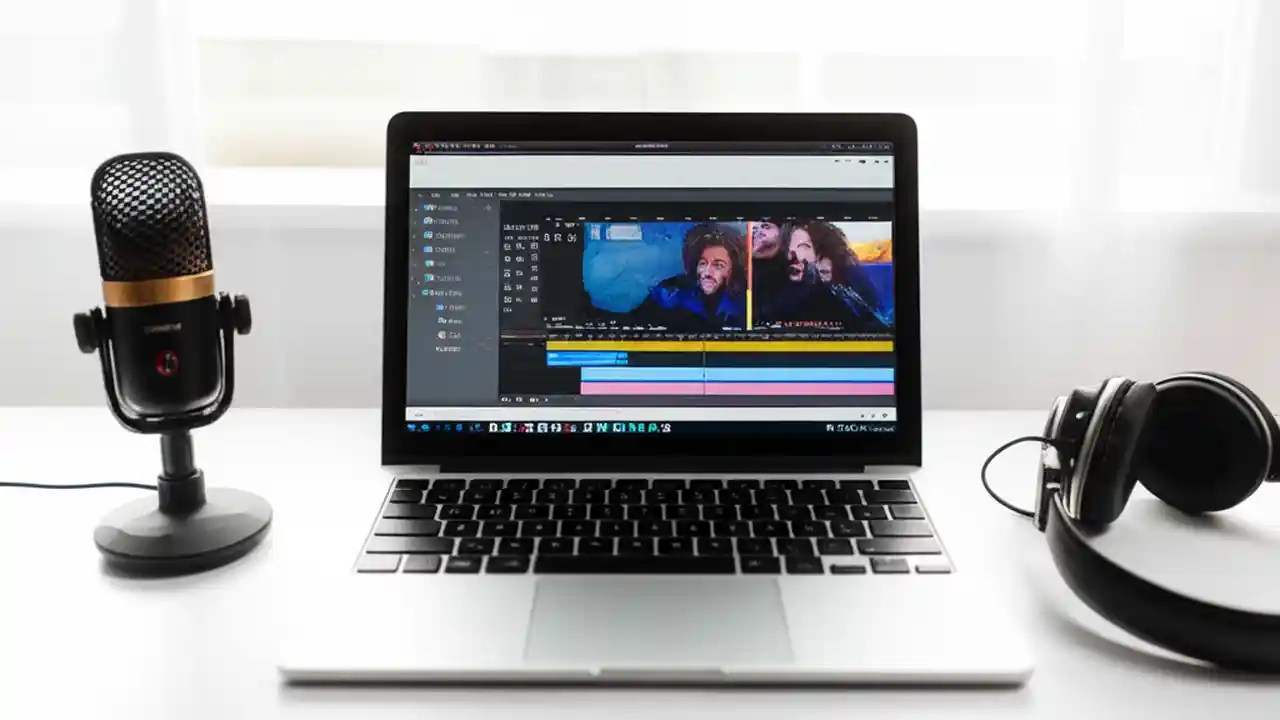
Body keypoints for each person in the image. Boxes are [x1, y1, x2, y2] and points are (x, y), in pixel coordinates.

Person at [754, 221, 888, 332]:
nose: (795, 256)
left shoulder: (845, 294)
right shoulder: (773, 296)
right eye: (790, 249)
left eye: (805, 246)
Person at [638, 223, 747, 330]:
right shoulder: (668, 294)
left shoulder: (745, 301)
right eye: (703, 263)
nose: (707, 273)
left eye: (718, 265)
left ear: (732, 269)